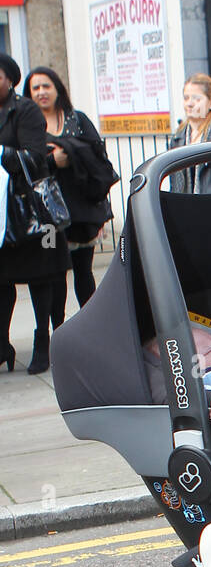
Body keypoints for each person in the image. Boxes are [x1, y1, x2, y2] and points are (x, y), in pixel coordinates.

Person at [0, 52, 70, 374]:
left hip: (35, 216)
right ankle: (3, 345)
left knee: (43, 278)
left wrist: (3, 154)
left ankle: (44, 340)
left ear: (9, 79)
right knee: (3, 283)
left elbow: (35, 158)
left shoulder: (25, 110)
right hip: (3, 218)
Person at [24, 67, 115, 308]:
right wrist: (53, 161)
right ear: (29, 93)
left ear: (57, 88)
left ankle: (92, 329)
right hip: (47, 219)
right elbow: (21, 164)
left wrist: (73, 155)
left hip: (81, 213)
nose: (42, 92)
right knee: (54, 274)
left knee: (84, 272)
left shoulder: (77, 119)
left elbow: (98, 160)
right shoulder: (27, 125)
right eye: (36, 87)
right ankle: (57, 331)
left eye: (47, 86)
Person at [168, 74, 211, 194]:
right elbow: (175, 185)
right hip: (184, 207)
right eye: (186, 98)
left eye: (196, 99)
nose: (189, 104)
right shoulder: (177, 138)